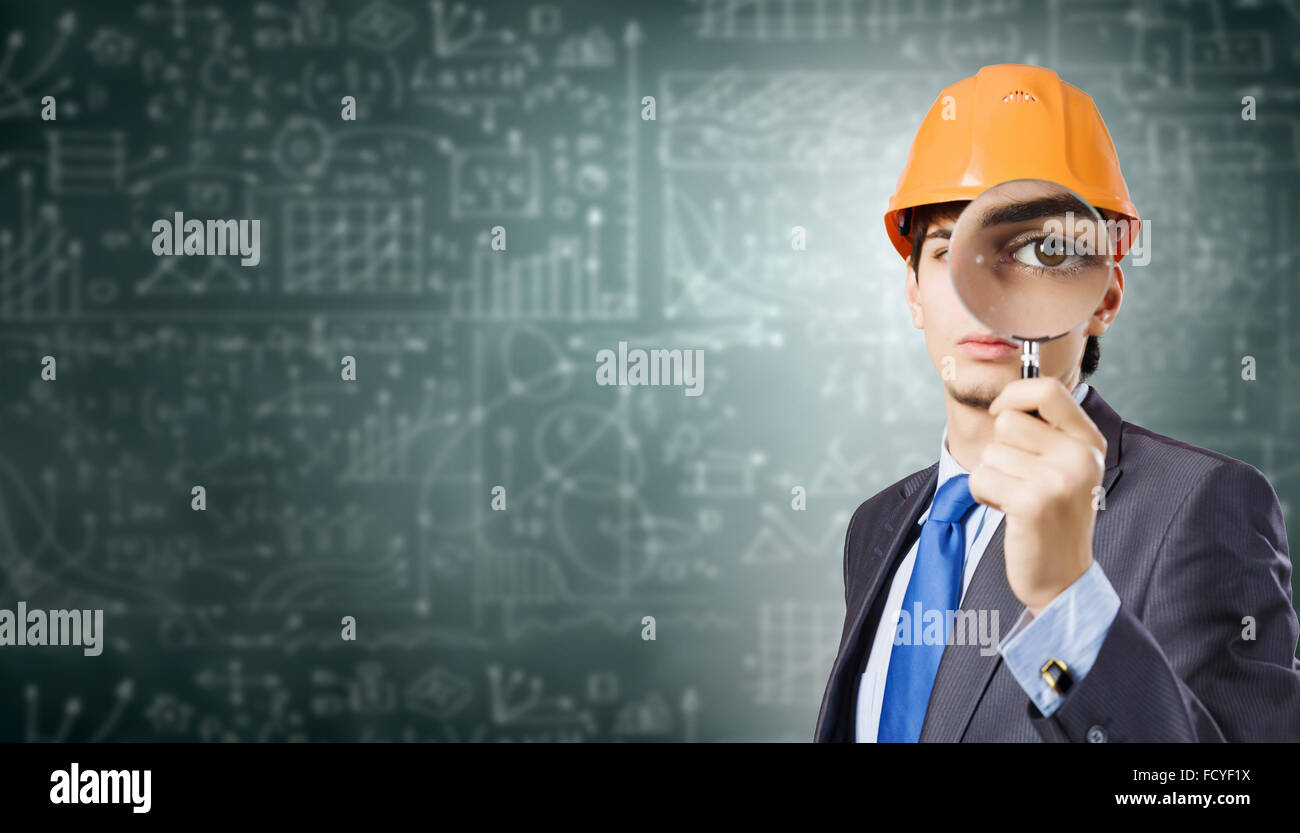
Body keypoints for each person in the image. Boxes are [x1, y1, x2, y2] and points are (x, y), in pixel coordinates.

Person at [815, 64, 1300, 742]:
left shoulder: (1202, 504)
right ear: (914, 292)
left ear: (1103, 295)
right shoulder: (877, 525)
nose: (986, 291)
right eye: (952, 252)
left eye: (1037, 251)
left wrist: (1068, 600)